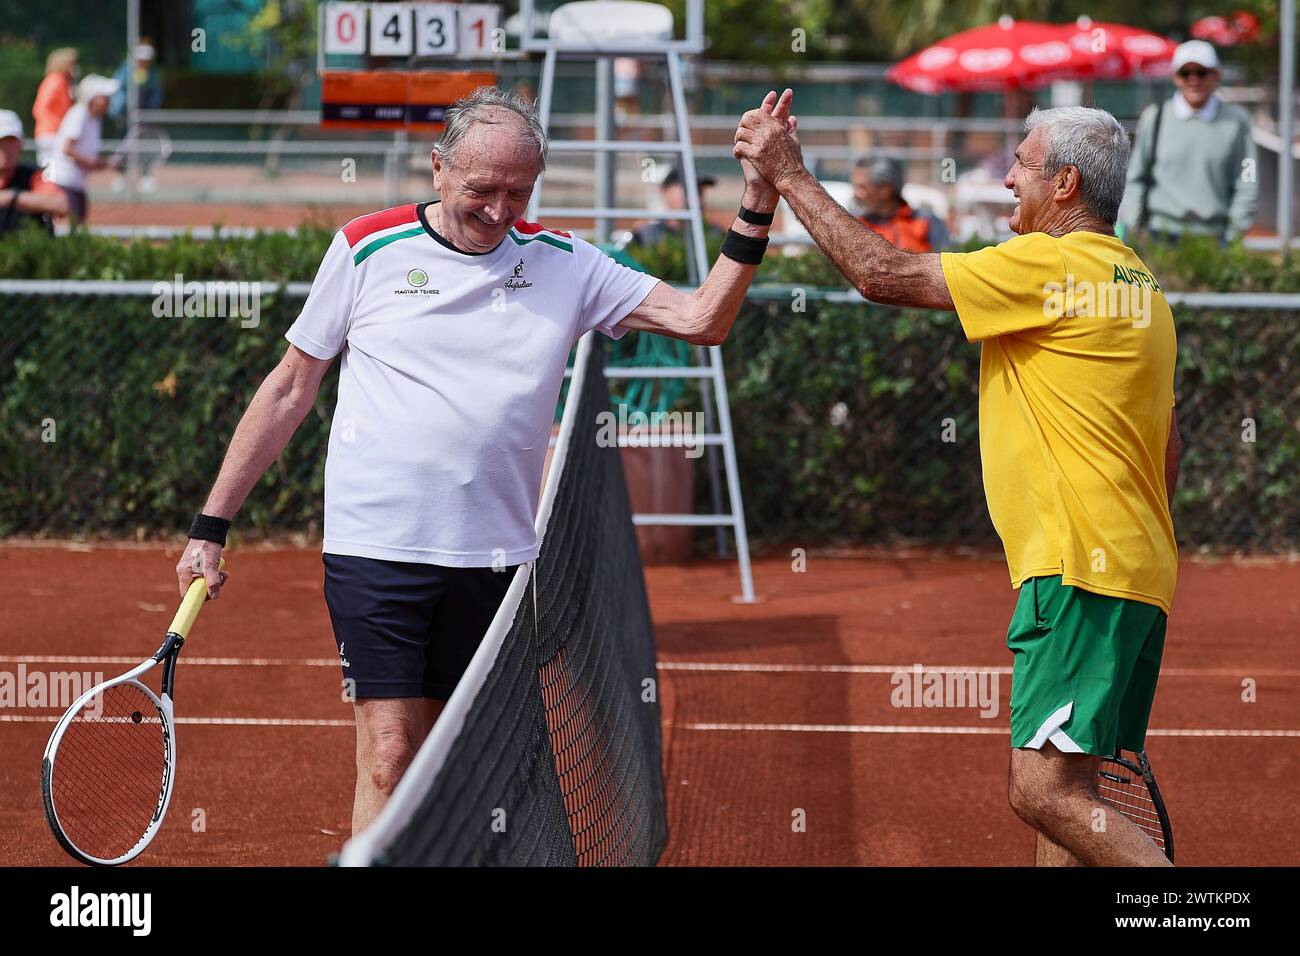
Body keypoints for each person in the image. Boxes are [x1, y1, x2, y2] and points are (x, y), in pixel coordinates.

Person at [174, 86, 794, 835]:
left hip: (497, 562)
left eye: (519, 192)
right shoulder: (365, 248)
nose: (501, 211)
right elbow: (289, 389)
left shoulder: (567, 263)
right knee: (389, 754)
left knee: (456, 762)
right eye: (483, 190)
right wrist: (212, 523)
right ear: (438, 169)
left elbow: (704, 319)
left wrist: (759, 198)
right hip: (376, 548)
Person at [737, 99, 1180, 867]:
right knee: (1068, 792)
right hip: (1131, 569)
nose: (1007, 177)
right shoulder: (1140, 285)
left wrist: (788, 174)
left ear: (1066, 184)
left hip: (1079, 569)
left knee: (1042, 795)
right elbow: (1171, 445)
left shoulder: (1053, 263)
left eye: (1022, 164)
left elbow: (881, 273)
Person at [1119, 40, 1258, 243]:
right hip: (1159, 236)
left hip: (1215, 239)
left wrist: (1234, 233)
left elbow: (1248, 179)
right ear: (1176, 77)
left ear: (1215, 75)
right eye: (1185, 73)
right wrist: (1133, 227)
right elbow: (1136, 177)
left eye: (1201, 72)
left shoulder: (1237, 122)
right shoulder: (1154, 117)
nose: (1194, 80)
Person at [46, 74, 118, 223]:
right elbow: (66, 149)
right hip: (64, 183)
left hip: (76, 183)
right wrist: (95, 162)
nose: (109, 101)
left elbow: (85, 157)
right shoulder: (79, 114)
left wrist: (102, 163)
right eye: (105, 97)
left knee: (79, 224)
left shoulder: (94, 119)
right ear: (93, 99)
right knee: (69, 227)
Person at [851, 155, 949, 252]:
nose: (856, 194)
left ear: (885, 189)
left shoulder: (927, 222)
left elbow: (943, 262)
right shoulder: (854, 225)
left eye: (862, 188)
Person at [0, 109, 69, 235]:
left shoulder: (33, 176)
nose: (5, 149)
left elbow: (61, 204)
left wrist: (12, 197)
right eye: (1, 142)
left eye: (11, 142)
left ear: (21, 145)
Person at [631, 165, 722, 246]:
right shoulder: (645, 236)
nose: (697, 200)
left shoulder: (716, 236)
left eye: (699, 192)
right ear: (665, 190)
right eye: (688, 190)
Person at [32, 47, 78, 168]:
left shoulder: (63, 81)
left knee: (58, 170)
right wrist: (56, 124)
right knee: (49, 171)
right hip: (50, 133)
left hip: (56, 132)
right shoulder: (55, 80)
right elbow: (40, 108)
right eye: (71, 64)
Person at [110, 41, 163, 120]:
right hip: (124, 111)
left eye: (147, 61)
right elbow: (117, 86)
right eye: (141, 60)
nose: (144, 63)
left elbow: (156, 95)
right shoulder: (126, 68)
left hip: (144, 112)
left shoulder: (153, 73)